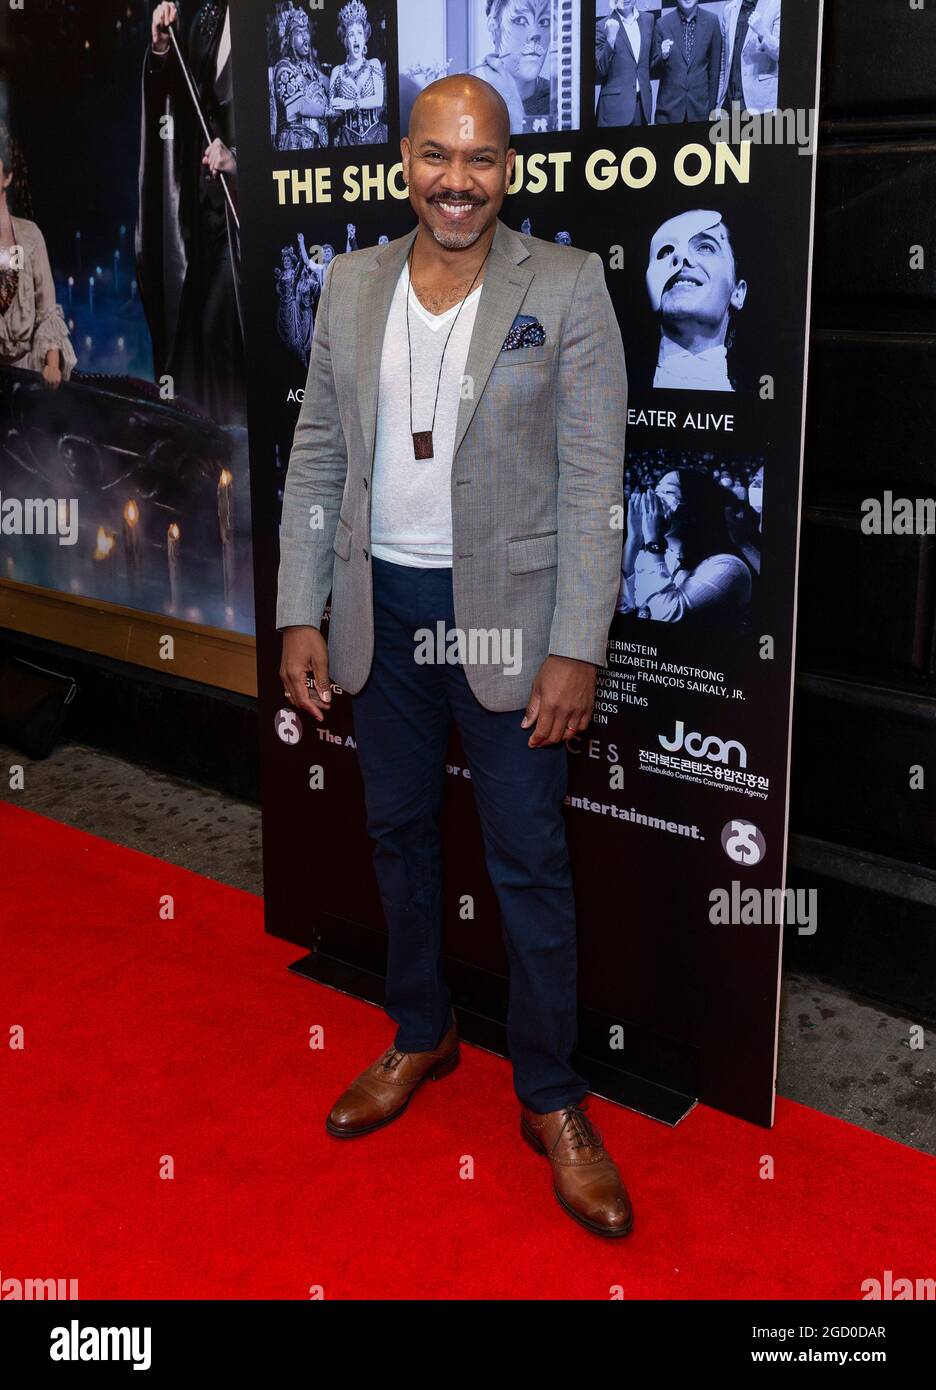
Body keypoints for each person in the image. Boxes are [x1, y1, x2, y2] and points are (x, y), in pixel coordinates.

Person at [276, 74, 633, 1238]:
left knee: (528, 858)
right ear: (403, 162)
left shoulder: (568, 286)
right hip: (381, 611)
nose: (457, 182)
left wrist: (577, 644)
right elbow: (319, 459)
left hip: (513, 628)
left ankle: (551, 1096)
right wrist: (300, 609)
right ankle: (420, 1028)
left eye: (480, 160)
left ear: (509, 170)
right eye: (437, 156)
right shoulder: (351, 282)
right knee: (396, 832)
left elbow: (594, 488)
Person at [137, 1, 246, 425]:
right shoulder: (207, 20)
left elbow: (297, 132)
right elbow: (173, 105)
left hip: (248, 223)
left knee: (228, 334)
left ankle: (247, 458)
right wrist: (162, 46)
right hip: (203, 218)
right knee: (200, 342)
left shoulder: (282, 21)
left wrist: (238, 159)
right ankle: (217, 467)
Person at [618, 469, 753, 627]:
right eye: (656, 490)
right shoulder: (659, 555)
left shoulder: (729, 567)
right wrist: (634, 539)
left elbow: (664, 615)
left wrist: (653, 541)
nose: (654, 497)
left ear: (694, 506)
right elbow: (624, 606)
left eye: (668, 491)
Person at [0, 125, 76, 387]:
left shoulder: (30, 237)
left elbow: (47, 315)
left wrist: (52, 366)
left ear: (7, 177)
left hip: (26, 380)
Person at [646, 209, 747, 392]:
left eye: (705, 247)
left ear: (738, 293)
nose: (682, 257)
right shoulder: (614, 387)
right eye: (666, 251)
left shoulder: (754, 410)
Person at [473, 0, 554, 135]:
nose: (535, 34)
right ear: (494, 27)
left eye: (544, 22)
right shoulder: (470, 99)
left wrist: (512, 104)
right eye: (520, 20)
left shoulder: (559, 102)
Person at [650, 0, 722, 125]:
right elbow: (653, 70)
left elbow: (714, 71)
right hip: (668, 112)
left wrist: (711, 108)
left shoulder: (712, 22)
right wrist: (663, 56)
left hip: (701, 111)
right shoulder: (662, 24)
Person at [328, 1, 387, 146]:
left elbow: (378, 100)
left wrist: (348, 104)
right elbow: (331, 112)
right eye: (351, 34)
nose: (356, 38)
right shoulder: (337, 72)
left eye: (359, 33)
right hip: (346, 140)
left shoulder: (374, 64)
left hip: (376, 137)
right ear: (345, 41)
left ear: (365, 37)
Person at [272, 3, 330, 151]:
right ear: (290, 39)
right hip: (293, 142)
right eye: (299, 33)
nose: (305, 38)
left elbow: (329, 85)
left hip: (317, 142)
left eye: (306, 32)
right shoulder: (283, 68)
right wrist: (328, 111)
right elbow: (299, 105)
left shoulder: (311, 70)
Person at [716, 0, 781, 116]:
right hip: (731, 100)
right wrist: (719, 100)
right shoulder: (729, 9)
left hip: (761, 102)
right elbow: (724, 60)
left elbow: (780, 53)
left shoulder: (776, 5)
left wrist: (763, 32)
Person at [595, 0, 654, 128]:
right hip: (614, 110)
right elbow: (600, 70)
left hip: (642, 106)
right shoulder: (602, 26)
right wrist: (610, 39)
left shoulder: (649, 20)